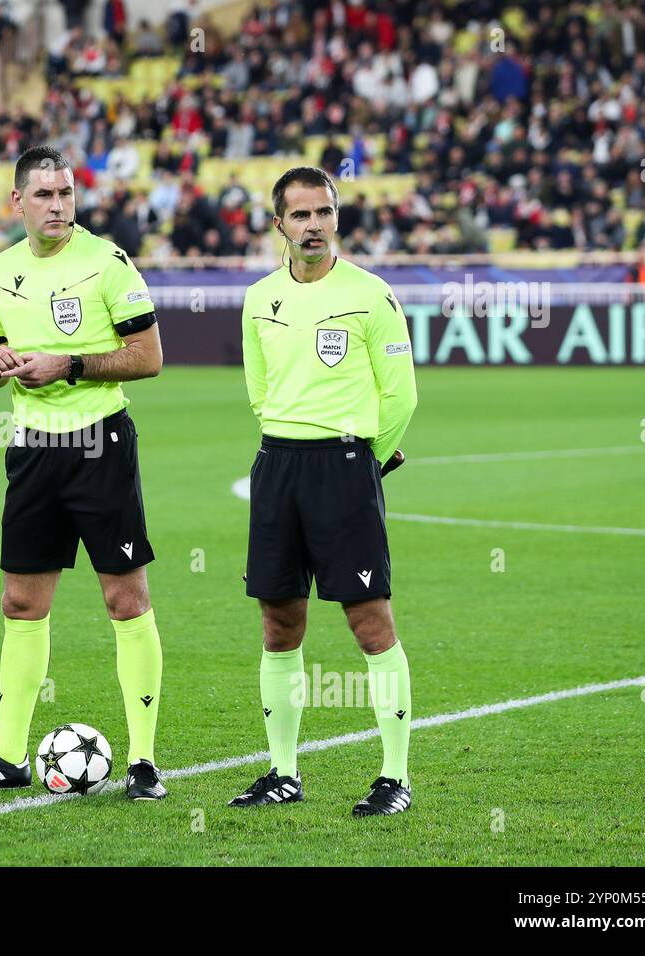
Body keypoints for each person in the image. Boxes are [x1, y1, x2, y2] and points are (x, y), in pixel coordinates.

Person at [0, 145, 168, 800]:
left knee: (125, 598)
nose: (59, 205)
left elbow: (148, 356)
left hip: (100, 445)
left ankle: (144, 759)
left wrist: (67, 364)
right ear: (17, 203)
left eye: (66, 194)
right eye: (44, 195)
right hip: (32, 448)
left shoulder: (107, 263)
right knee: (21, 601)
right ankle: (7, 754)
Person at [233, 166, 418, 816]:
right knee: (279, 623)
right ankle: (283, 773)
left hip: (344, 468)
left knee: (369, 620)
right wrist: (287, 435)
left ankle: (394, 777)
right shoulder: (259, 298)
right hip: (278, 464)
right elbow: (258, 388)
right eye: (301, 215)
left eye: (324, 212)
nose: (313, 225)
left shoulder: (371, 295)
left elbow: (401, 394)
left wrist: (362, 460)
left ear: (337, 218)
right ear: (278, 223)